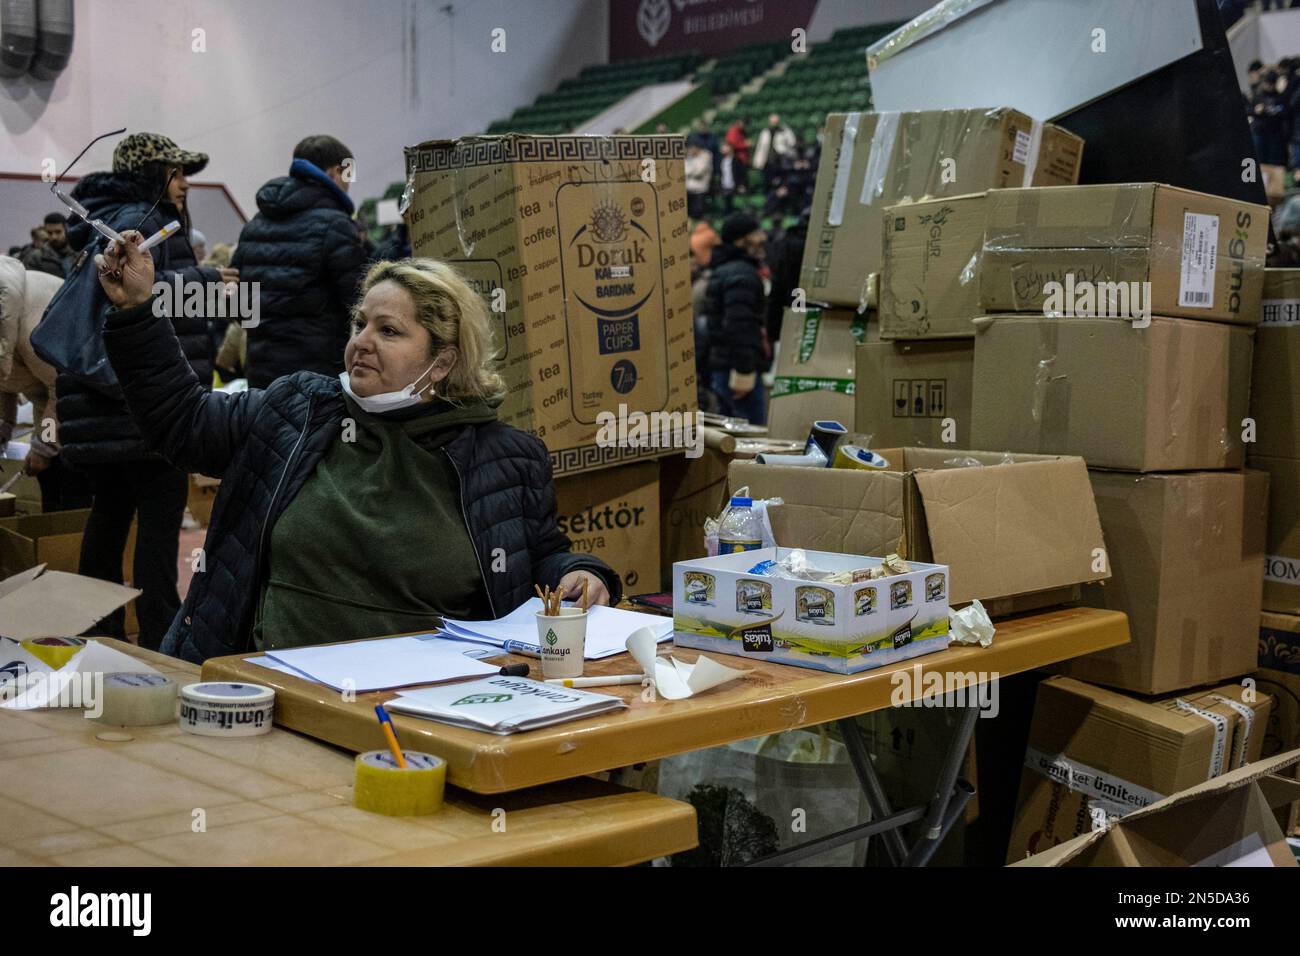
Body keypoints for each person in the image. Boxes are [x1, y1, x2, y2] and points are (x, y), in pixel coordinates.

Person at [92, 237, 621, 663]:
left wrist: (582, 572)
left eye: (388, 330)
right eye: (359, 323)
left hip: (425, 710)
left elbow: (538, 555)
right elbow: (181, 423)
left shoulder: (505, 456)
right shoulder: (295, 409)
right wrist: (139, 310)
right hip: (267, 697)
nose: (361, 341)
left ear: (442, 362)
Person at [52, 131, 233, 650]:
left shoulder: (105, 214)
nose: (184, 185)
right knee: (157, 526)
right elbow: (138, 296)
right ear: (152, 174)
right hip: (139, 407)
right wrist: (206, 278)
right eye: (175, 173)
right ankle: (161, 638)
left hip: (104, 407)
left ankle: (98, 633)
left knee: (108, 517)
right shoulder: (142, 218)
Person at [233, 135, 369, 389]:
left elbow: (239, 307)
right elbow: (362, 303)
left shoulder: (254, 226)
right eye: (348, 175)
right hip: (317, 380)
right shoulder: (336, 226)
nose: (349, 184)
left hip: (262, 376)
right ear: (334, 172)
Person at [0, 257, 92, 512]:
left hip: (82, 398)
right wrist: (4, 425)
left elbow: (61, 388)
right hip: (51, 396)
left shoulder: (34, 328)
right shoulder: (7, 323)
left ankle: (69, 540)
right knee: (48, 472)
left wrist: (45, 445)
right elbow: (4, 378)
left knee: (66, 468)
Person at [703, 213, 768, 425]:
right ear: (741, 240)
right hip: (736, 372)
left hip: (724, 367)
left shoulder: (725, 270)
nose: (762, 237)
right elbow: (739, 326)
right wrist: (743, 372)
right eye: (756, 233)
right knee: (750, 441)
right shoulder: (742, 274)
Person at [19, 213, 75, 278]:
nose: (54, 237)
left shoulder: (79, 254)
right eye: (49, 233)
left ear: (66, 230)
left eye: (58, 232)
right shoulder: (36, 258)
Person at [753, 114, 796, 193]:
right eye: (772, 122)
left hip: (781, 162)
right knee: (768, 185)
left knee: (781, 186)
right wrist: (757, 161)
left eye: (776, 122)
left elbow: (792, 143)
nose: (774, 124)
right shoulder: (765, 132)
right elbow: (760, 148)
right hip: (767, 163)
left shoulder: (785, 131)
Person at [685, 143, 713, 220]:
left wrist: (690, 172)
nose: (690, 150)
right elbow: (685, 170)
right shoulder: (689, 157)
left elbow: (699, 173)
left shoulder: (706, 156)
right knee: (690, 211)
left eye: (692, 148)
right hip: (689, 188)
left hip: (700, 189)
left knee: (699, 211)